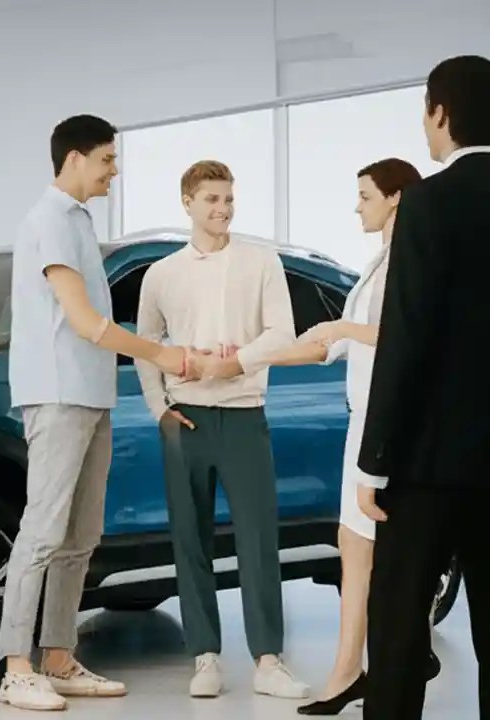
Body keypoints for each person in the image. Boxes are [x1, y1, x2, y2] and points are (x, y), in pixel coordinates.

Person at [356, 56, 490, 720]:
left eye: (426, 109)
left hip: (425, 463)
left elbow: (405, 339)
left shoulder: (426, 205)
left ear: (440, 113)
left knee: (397, 626)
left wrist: (374, 458)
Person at [0, 114, 211, 712]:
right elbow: (87, 322)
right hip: (60, 392)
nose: (114, 171)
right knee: (42, 530)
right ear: (73, 159)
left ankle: (59, 658)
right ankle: (17, 668)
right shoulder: (49, 222)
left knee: (81, 534)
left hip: (92, 395)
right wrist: (164, 354)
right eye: (107, 160)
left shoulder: (78, 222)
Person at [264, 158, 442, 716]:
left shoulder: (414, 261)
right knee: (353, 547)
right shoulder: (379, 263)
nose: (357, 205)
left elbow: (408, 335)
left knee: (376, 551)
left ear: (395, 198)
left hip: (389, 428)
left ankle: (391, 659)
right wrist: (242, 358)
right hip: (362, 422)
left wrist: (341, 327)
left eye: (365, 196)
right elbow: (328, 346)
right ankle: (350, 670)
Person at [134, 159, 309, 700]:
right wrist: (158, 409)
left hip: (242, 413)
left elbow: (283, 332)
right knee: (190, 539)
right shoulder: (161, 274)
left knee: (258, 538)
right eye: (212, 199)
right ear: (187, 202)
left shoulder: (261, 263)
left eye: (228, 198)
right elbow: (146, 343)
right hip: (185, 418)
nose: (223, 208)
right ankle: (204, 655)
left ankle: (268, 659)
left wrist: (237, 364)